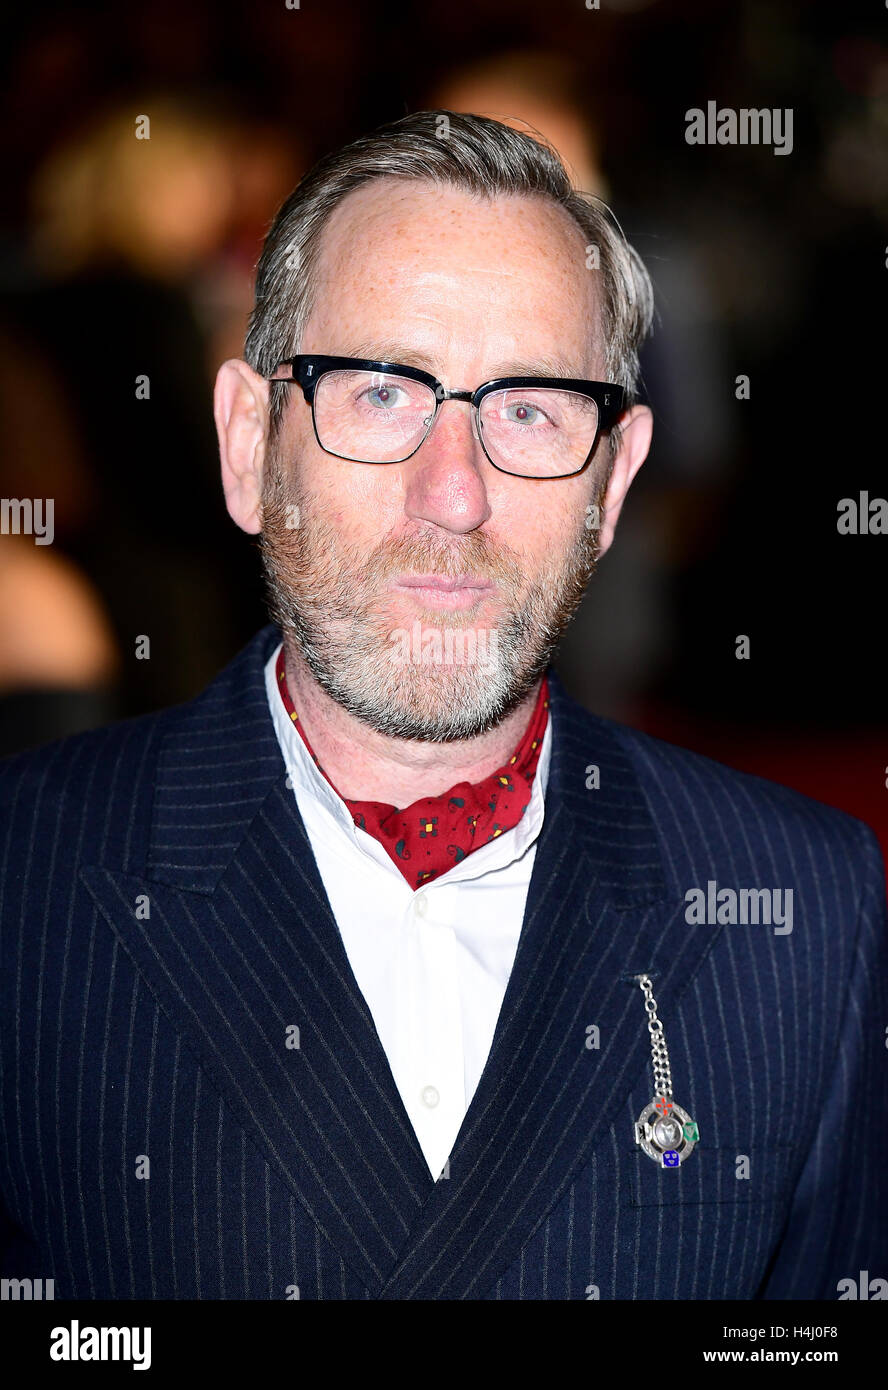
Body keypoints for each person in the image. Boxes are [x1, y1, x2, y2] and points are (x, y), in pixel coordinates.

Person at [0, 112, 884, 1302]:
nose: (453, 492)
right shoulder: (27, 879)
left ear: (613, 483)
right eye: (380, 393)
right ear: (250, 443)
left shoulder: (805, 916)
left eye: (528, 407)